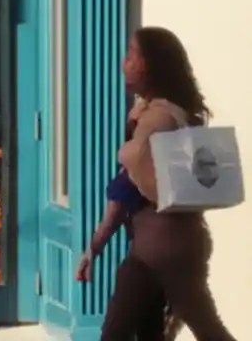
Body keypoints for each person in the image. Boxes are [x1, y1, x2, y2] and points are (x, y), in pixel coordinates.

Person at [99, 27, 236, 340]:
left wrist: (132, 138)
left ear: (149, 65)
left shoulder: (160, 117)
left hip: (168, 250)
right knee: (136, 332)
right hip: (153, 249)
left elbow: (130, 163)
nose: (124, 62)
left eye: (132, 54)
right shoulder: (158, 111)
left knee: (206, 328)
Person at [76, 96, 168, 340]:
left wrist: (90, 252)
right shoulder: (171, 170)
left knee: (114, 334)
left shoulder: (132, 176)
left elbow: (110, 223)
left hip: (143, 265)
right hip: (170, 265)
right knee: (151, 332)